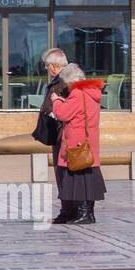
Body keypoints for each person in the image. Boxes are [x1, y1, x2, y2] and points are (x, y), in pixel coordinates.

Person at [49, 63, 106, 225]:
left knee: (78, 181)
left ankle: (83, 214)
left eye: (66, 83)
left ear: (71, 81)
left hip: (76, 143)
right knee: (88, 180)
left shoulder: (78, 94)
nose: (66, 86)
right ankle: (89, 213)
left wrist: (57, 101)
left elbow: (62, 114)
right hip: (89, 143)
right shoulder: (92, 93)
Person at [33, 48, 74, 222]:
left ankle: (68, 211)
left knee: (64, 172)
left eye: (47, 66)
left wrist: (52, 110)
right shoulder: (65, 79)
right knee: (63, 172)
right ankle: (69, 210)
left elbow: (64, 108)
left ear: (53, 66)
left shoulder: (64, 81)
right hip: (61, 132)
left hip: (62, 133)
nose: (47, 69)